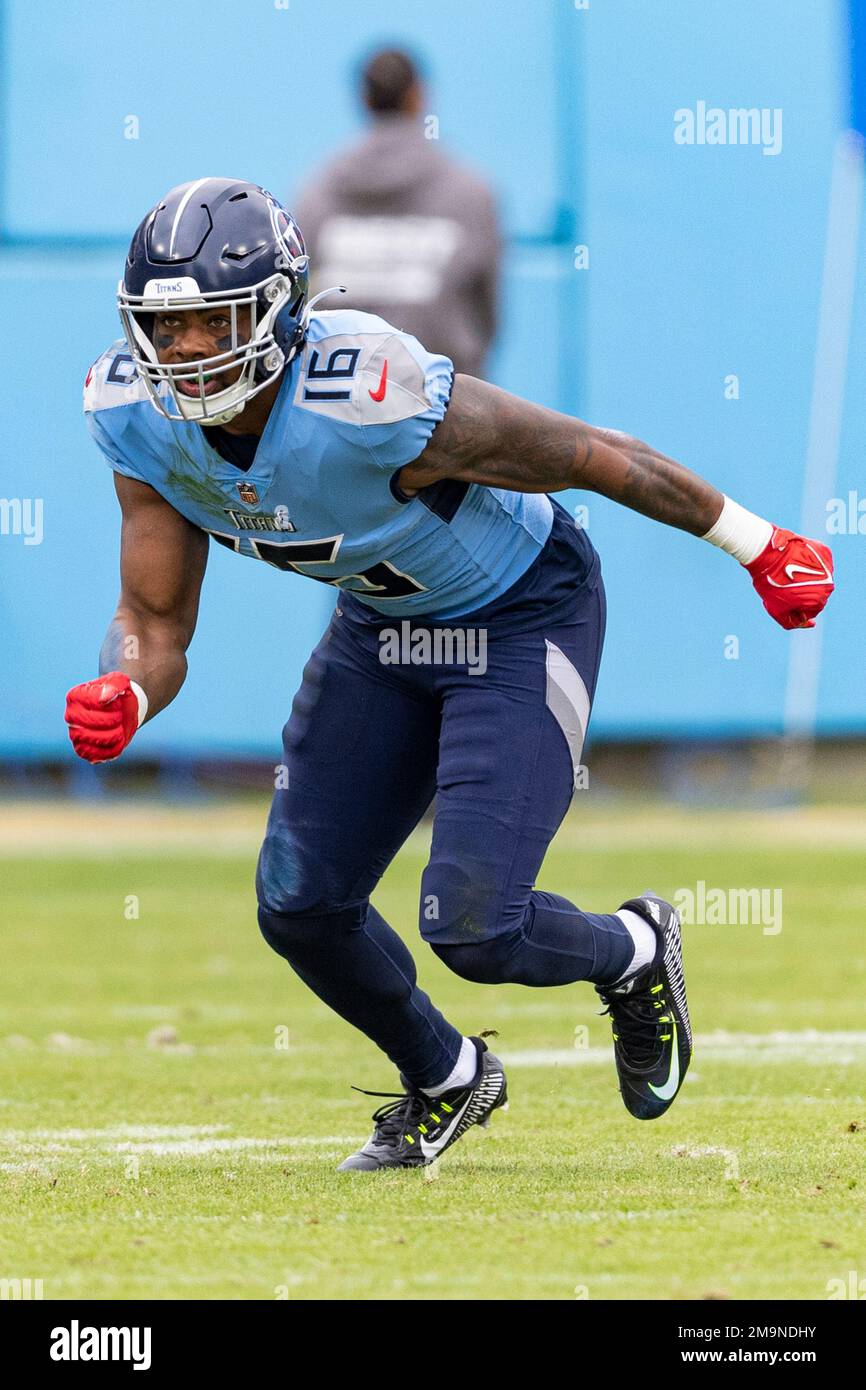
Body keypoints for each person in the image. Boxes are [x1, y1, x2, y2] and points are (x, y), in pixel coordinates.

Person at [66, 179, 835, 1171]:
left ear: (275, 309)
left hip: (519, 615)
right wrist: (126, 685)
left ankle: (635, 949)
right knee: (299, 904)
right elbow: (154, 618)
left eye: (208, 323)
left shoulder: (366, 395)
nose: (183, 354)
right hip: (380, 634)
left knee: (473, 927)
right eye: (162, 331)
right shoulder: (138, 419)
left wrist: (753, 540)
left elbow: (589, 453)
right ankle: (444, 1074)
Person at [293, 47, 500, 377]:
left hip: (338, 407)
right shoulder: (471, 192)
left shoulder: (316, 191)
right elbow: (487, 314)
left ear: (364, 99)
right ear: (418, 96)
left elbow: (296, 300)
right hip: (449, 408)